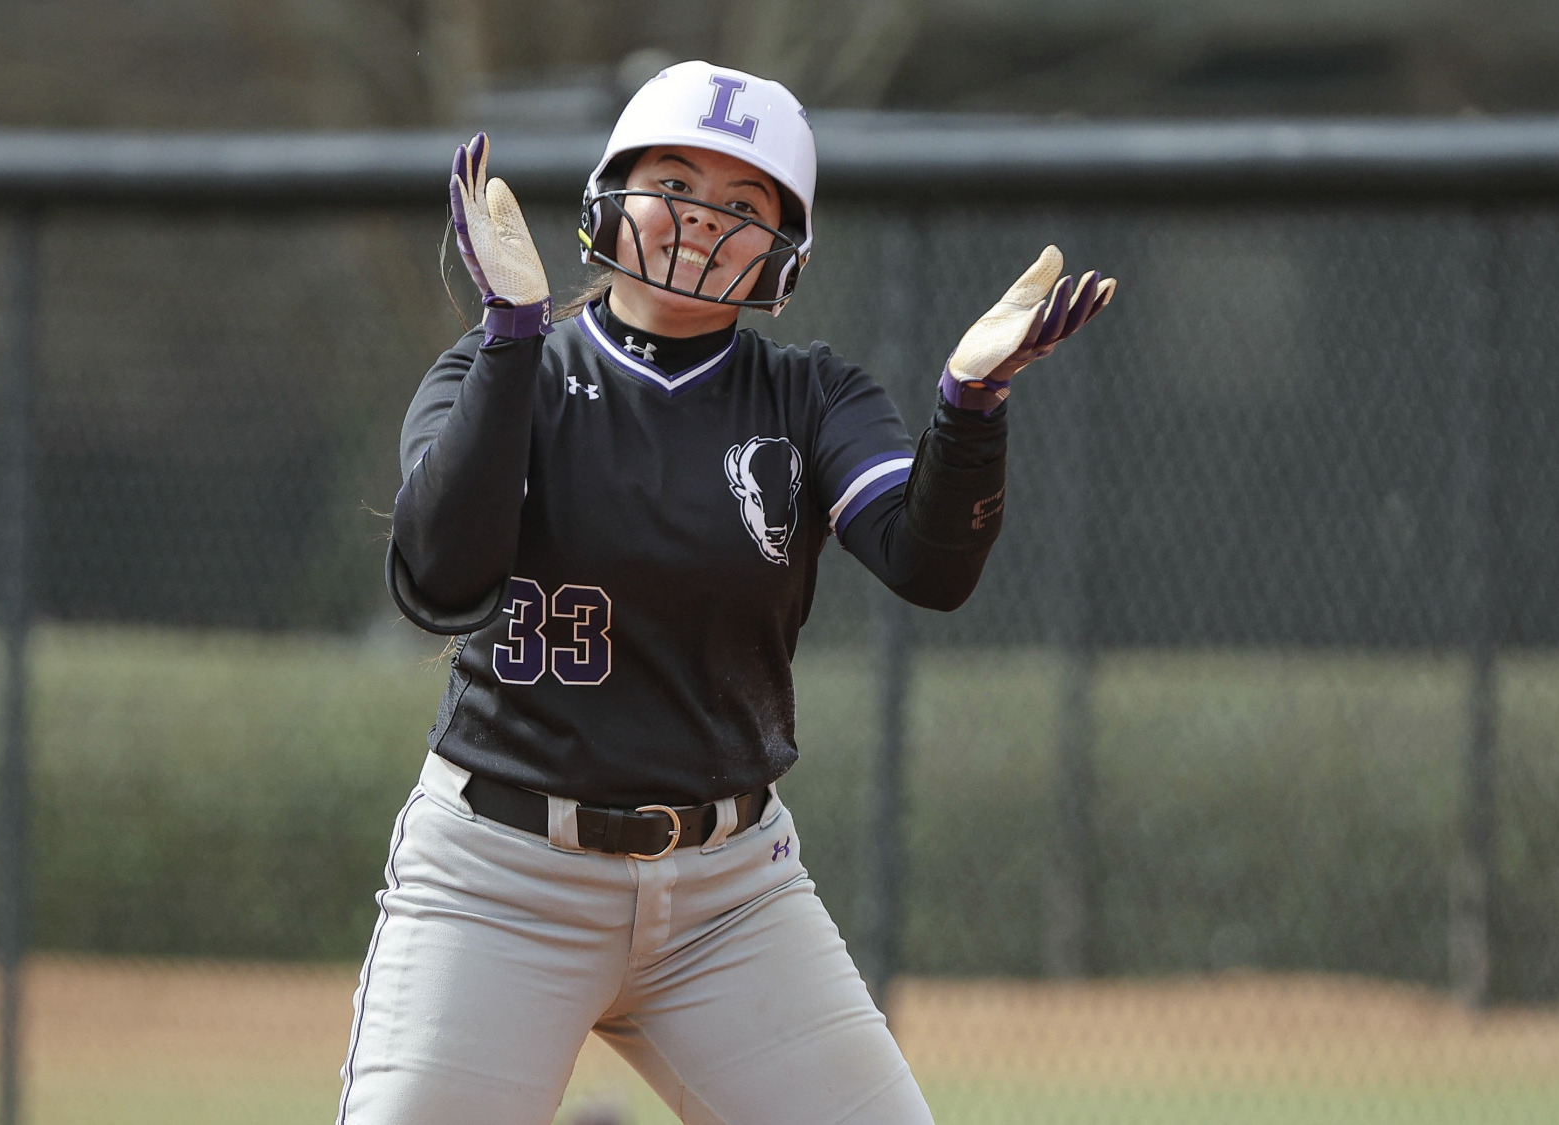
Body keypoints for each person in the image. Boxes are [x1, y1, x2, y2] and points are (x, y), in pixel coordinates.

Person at [339, 60, 1115, 1125]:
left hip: (729, 895)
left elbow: (926, 566)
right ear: (612, 197)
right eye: (673, 182)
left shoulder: (809, 396)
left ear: (782, 250)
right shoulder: (502, 367)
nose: (701, 219)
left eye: (743, 203)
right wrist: (512, 334)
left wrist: (969, 408)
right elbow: (436, 581)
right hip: (500, 879)